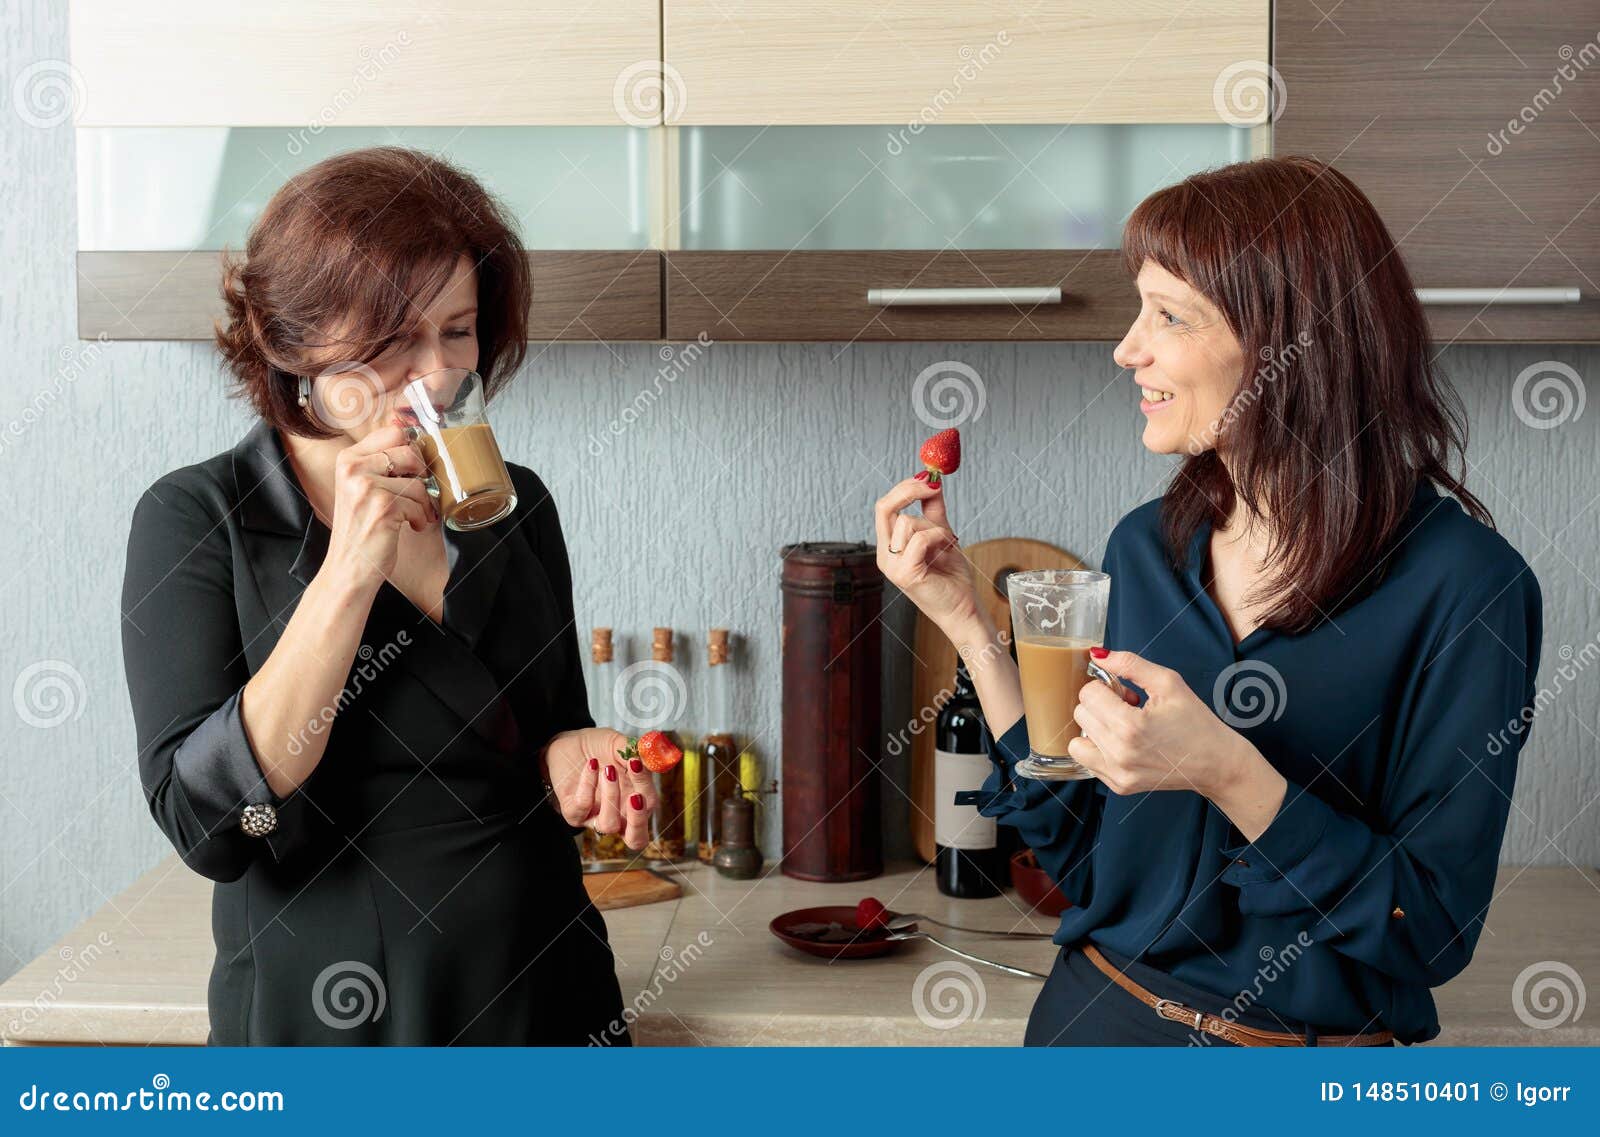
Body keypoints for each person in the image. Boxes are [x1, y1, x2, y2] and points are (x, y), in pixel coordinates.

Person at [874, 156, 1542, 1047]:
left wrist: (1229, 770)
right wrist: (967, 624)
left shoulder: (1468, 588)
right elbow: (1086, 861)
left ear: (1289, 343)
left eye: (1170, 316)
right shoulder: (1145, 549)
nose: (1127, 347)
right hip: (1089, 1030)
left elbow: (1431, 927)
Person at [120, 147, 652, 1045]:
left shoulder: (512, 504)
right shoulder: (200, 517)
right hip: (335, 1020)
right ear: (295, 344)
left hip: (545, 994)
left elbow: (546, 730)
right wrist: (349, 572)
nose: (435, 374)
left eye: (456, 330)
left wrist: (581, 760)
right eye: (392, 339)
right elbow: (211, 827)